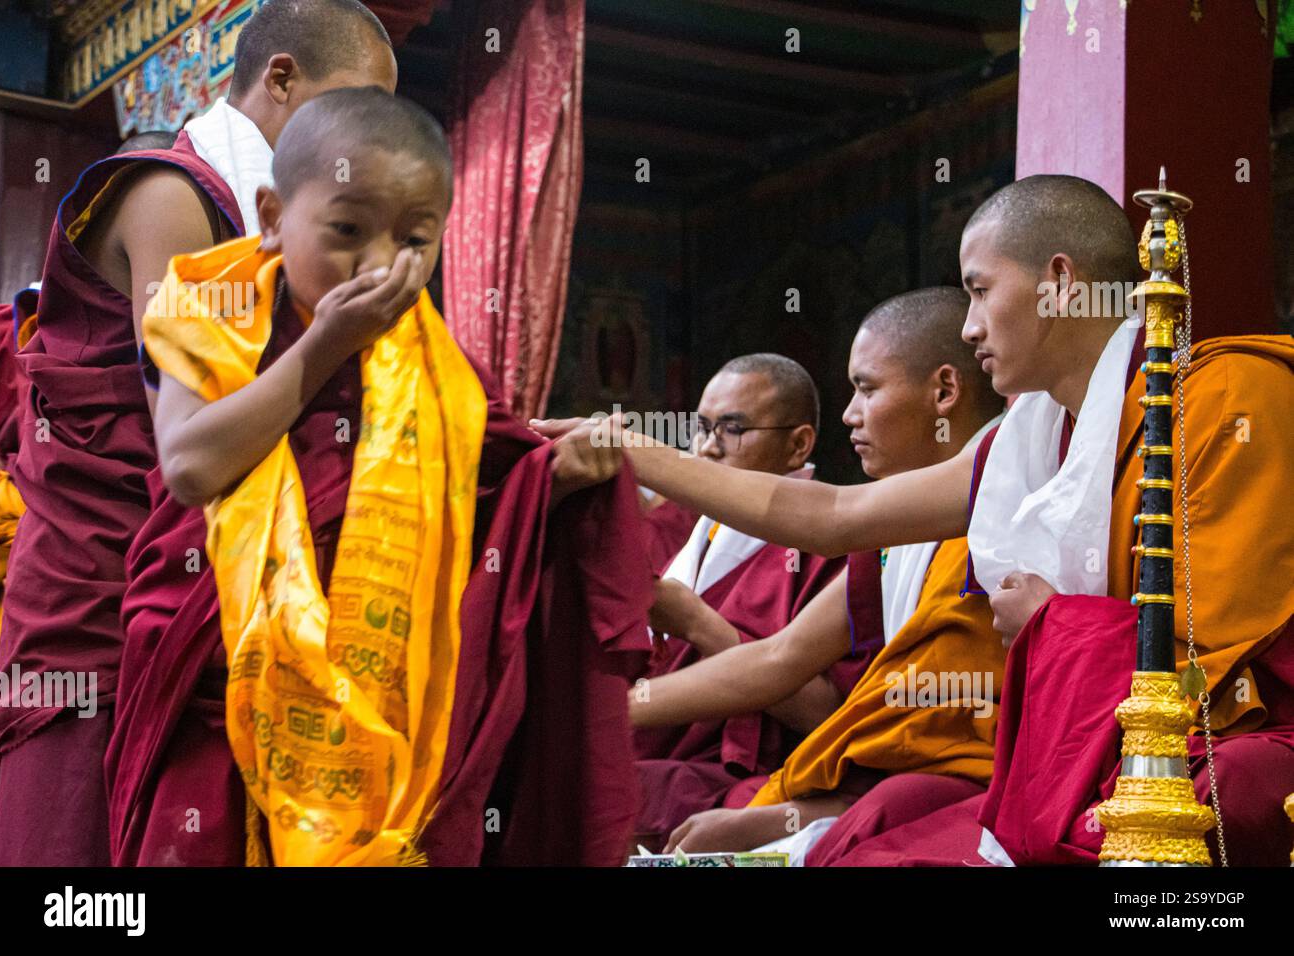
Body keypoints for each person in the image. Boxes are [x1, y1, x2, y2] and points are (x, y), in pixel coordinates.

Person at [535, 174, 1294, 866]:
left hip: (1218, 754)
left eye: (979, 290)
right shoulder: (1024, 443)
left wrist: (1052, 625)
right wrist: (626, 445)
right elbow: (833, 514)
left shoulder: (1227, 399)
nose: (968, 328)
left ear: (1060, 284)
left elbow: (1220, 669)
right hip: (1084, 760)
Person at [106, 87, 651, 866]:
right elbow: (192, 465)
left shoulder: (439, 369)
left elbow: (479, 514)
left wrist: (555, 483)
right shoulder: (212, 307)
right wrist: (323, 347)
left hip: (381, 706)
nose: (378, 265)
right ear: (270, 216)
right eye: (347, 230)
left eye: (413, 241)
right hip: (220, 685)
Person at [0, 0, 400, 865]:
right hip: (98, 609)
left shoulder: (297, 234)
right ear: (282, 79)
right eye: (358, 103)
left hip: (208, 612)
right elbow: (193, 439)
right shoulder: (169, 194)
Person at [638, 289, 1005, 860]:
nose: (849, 415)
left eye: (866, 389)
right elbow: (778, 659)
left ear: (944, 391)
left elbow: (830, 520)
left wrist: (791, 817)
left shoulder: (1005, 486)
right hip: (870, 782)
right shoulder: (896, 530)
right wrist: (615, 708)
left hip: (952, 788)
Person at [634, 354, 856, 846]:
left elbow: (830, 714)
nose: (707, 449)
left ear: (798, 445)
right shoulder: (673, 526)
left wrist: (697, 622)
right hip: (649, 758)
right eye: (701, 429)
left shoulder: (834, 549)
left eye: (731, 429)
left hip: (741, 782)